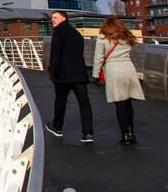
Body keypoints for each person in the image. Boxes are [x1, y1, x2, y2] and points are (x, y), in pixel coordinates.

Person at [92, 17, 145, 145]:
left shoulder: (102, 38)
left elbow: (98, 58)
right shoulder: (126, 37)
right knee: (128, 103)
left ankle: (125, 134)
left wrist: (96, 74)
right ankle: (132, 133)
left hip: (113, 70)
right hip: (128, 68)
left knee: (119, 103)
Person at [46, 11, 93, 143]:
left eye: (55, 17)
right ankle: (88, 133)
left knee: (61, 100)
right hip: (79, 73)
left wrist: (52, 71)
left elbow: (55, 54)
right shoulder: (76, 33)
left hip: (64, 74)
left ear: (63, 18)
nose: (52, 20)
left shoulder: (58, 33)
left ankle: (57, 127)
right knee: (84, 103)